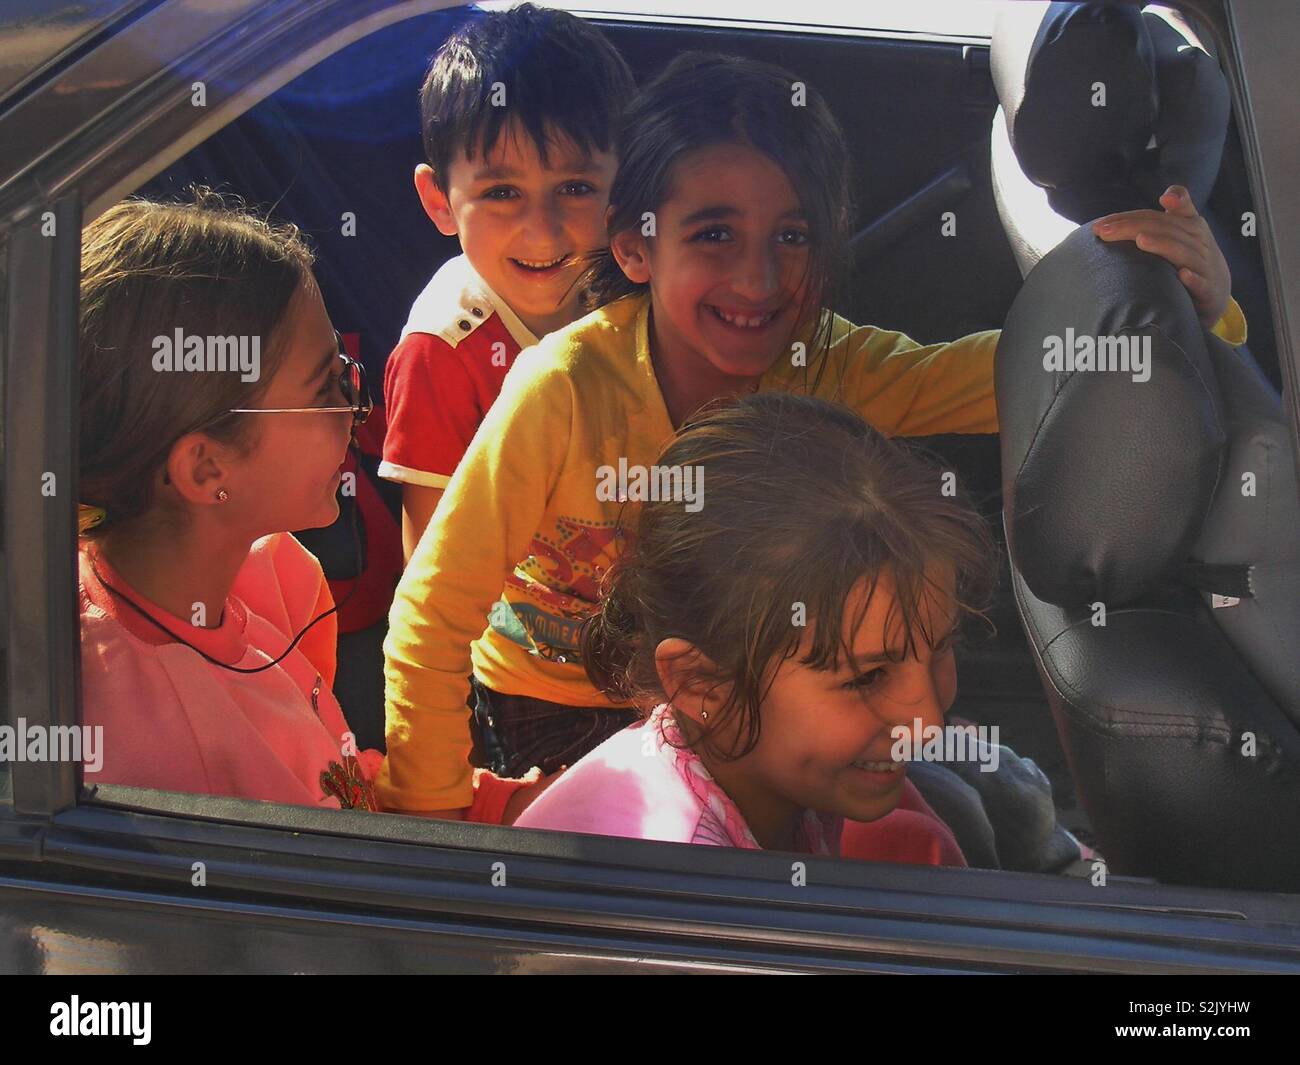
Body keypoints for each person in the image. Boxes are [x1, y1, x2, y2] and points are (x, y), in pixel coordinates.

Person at [379, 52, 1246, 820]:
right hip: (552, 703)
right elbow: (431, 615)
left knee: (976, 803)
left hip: (733, 695)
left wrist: (1192, 316)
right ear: (637, 250)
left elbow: (1018, 372)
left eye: (791, 236)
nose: (758, 278)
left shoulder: (826, 360)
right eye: (714, 233)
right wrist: (435, 820)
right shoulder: (561, 391)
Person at [76, 190, 532, 820]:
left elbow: (336, 777)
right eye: (327, 387)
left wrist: (500, 807)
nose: (356, 406)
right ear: (206, 467)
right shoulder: (156, 757)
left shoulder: (275, 573)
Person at [515, 392, 979, 862]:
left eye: (941, 646)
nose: (927, 726)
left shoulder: (767, 773)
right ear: (701, 683)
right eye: (867, 677)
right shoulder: (684, 883)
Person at [378, 3, 635, 560]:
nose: (541, 231)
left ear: (628, 185)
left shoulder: (640, 282)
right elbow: (431, 559)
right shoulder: (441, 351)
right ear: (439, 203)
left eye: (574, 188)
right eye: (501, 193)